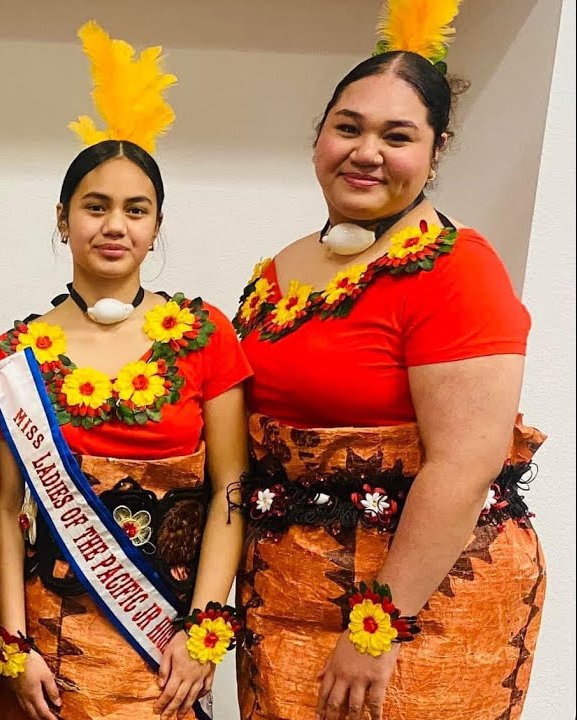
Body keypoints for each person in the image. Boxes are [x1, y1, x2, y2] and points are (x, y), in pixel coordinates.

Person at [233, 2, 545, 719]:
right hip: (287, 595)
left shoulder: (456, 269)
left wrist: (379, 629)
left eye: (396, 136)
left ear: (436, 152)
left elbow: (466, 465)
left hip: (416, 612)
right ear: (319, 138)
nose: (365, 151)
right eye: (348, 128)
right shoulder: (282, 266)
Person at [0, 22, 250, 720]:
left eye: (136, 210)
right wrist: (15, 641)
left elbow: (232, 487)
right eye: (95, 206)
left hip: (165, 639)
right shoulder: (14, 351)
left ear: (157, 226)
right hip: (49, 638)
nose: (114, 226)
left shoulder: (204, 335)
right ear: (63, 219)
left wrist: (203, 630)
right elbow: (3, 511)